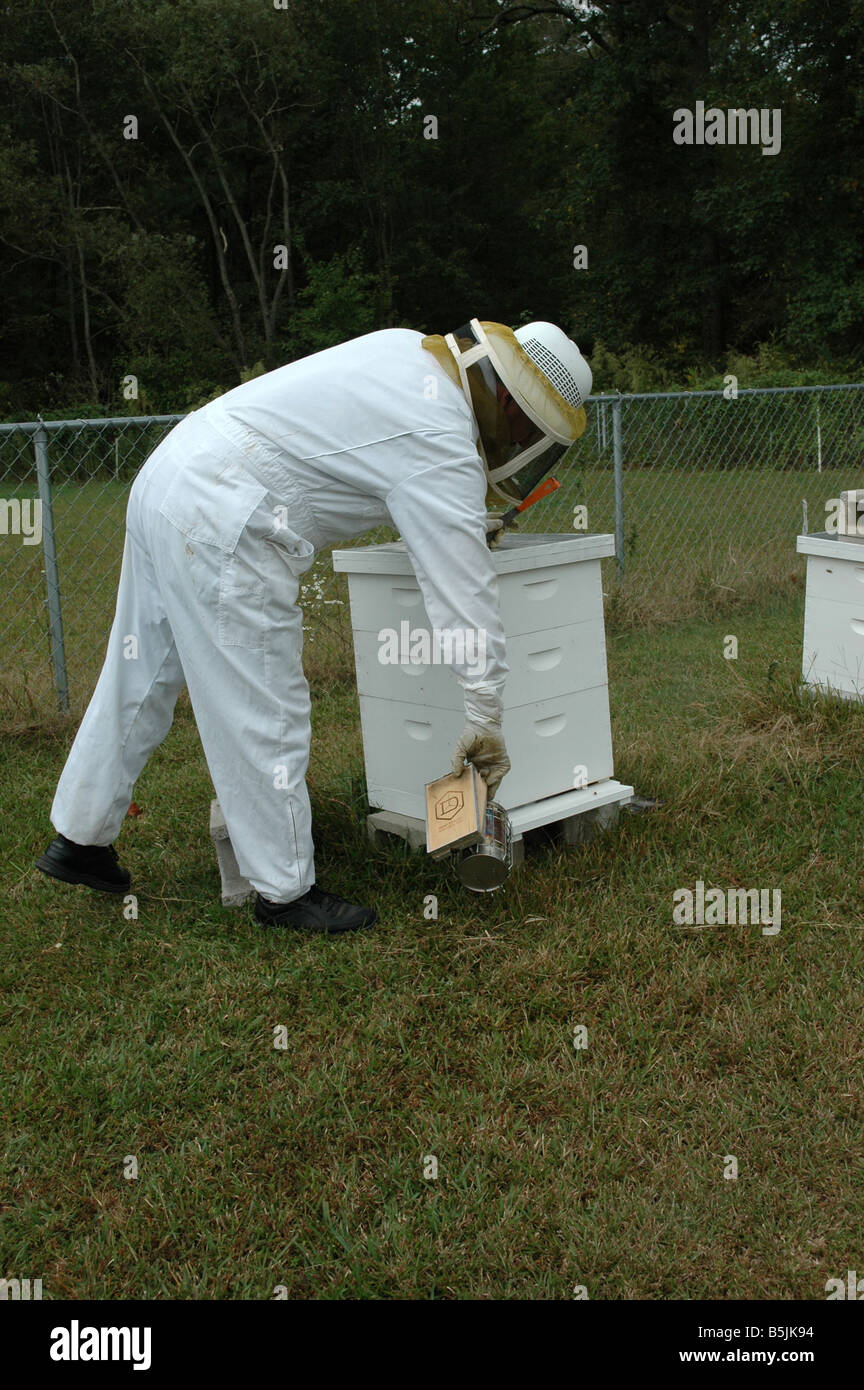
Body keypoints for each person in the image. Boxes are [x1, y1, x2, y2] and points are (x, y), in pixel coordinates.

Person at [35, 319, 592, 933]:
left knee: (139, 672)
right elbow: (463, 596)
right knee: (263, 705)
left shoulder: (406, 351)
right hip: (228, 513)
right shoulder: (443, 439)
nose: (517, 441)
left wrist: (458, 522)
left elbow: (366, 460)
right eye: (526, 427)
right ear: (511, 400)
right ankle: (284, 892)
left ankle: (80, 839)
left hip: (170, 476)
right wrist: (485, 716)